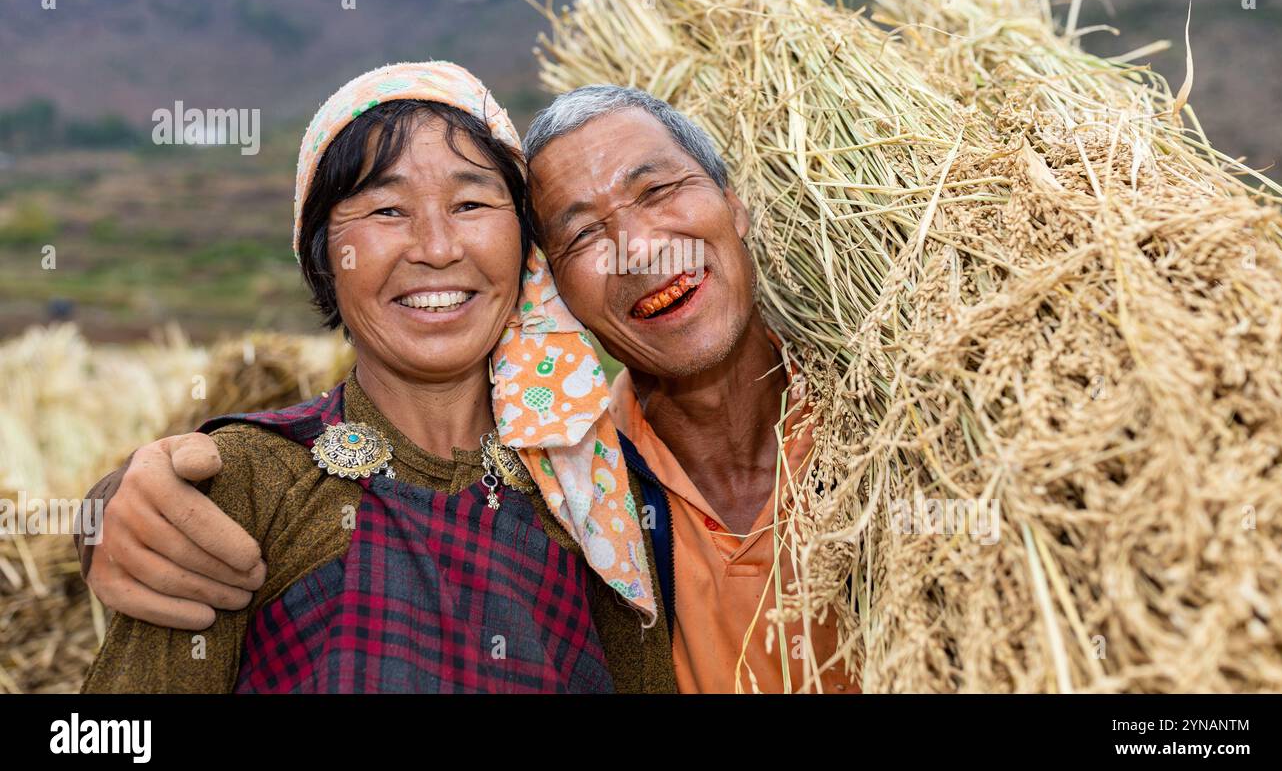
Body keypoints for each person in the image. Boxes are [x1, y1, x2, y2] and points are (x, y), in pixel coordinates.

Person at [78, 85, 856, 694]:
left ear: (523, 259)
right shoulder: (245, 486)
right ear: (323, 258)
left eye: (471, 204)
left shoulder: (594, 503)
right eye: (386, 209)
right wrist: (102, 510)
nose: (438, 247)